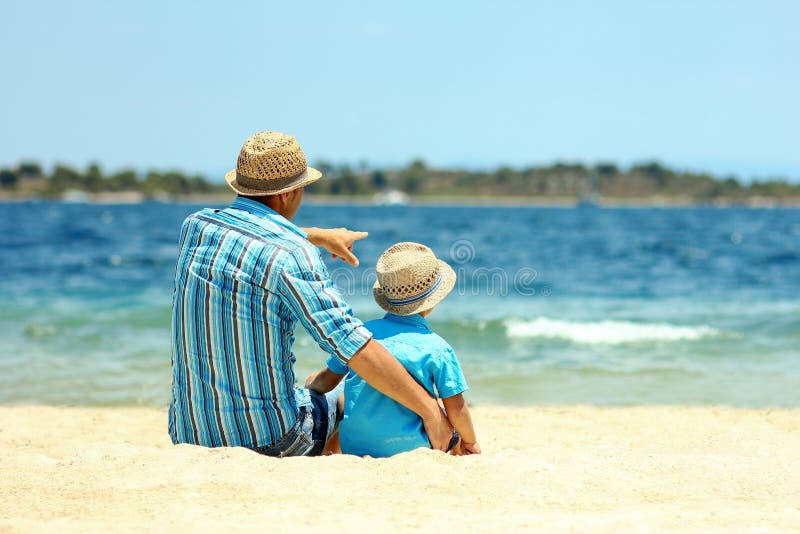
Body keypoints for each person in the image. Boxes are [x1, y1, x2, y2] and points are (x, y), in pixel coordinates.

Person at [168, 131, 453, 457]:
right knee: (348, 388)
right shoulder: (292, 254)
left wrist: (316, 235)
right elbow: (353, 344)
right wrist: (432, 411)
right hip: (271, 440)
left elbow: (250, 233)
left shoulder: (195, 226)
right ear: (287, 194)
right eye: (302, 188)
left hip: (189, 434)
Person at [306, 242, 481, 457]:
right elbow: (458, 409)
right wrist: (471, 442)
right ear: (432, 300)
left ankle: (327, 454)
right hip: (413, 446)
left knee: (348, 398)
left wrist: (310, 385)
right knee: (450, 421)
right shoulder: (438, 348)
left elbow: (326, 382)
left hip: (355, 445)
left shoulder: (359, 334)